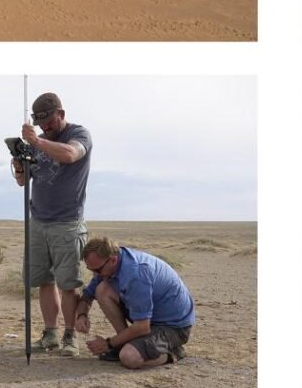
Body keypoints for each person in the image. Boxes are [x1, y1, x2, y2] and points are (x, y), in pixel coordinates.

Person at [11, 92, 93, 358]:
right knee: (43, 280)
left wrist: (36, 140)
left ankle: (71, 336)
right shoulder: (38, 142)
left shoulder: (79, 134)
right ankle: (51, 334)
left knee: (68, 283)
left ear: (61, 114)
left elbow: (70, 155)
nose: (46, 127)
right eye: (41, 124)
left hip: (67, 222)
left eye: (49, 122)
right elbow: (23, 182)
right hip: (39, 221)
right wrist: (20, 166)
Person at [75, 237, 196, 369]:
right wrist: (82, 315)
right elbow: (87, 296)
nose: (95, 274)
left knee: (129, 357)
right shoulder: (109, 266)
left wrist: (109, 344)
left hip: (173, 327)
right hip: (149, 320)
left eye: (97, 270)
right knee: (102, 290)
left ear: (113, 260)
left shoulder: (136, 274)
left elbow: (142, 327)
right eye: (90, 269)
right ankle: (125, 343)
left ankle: (173, 352)